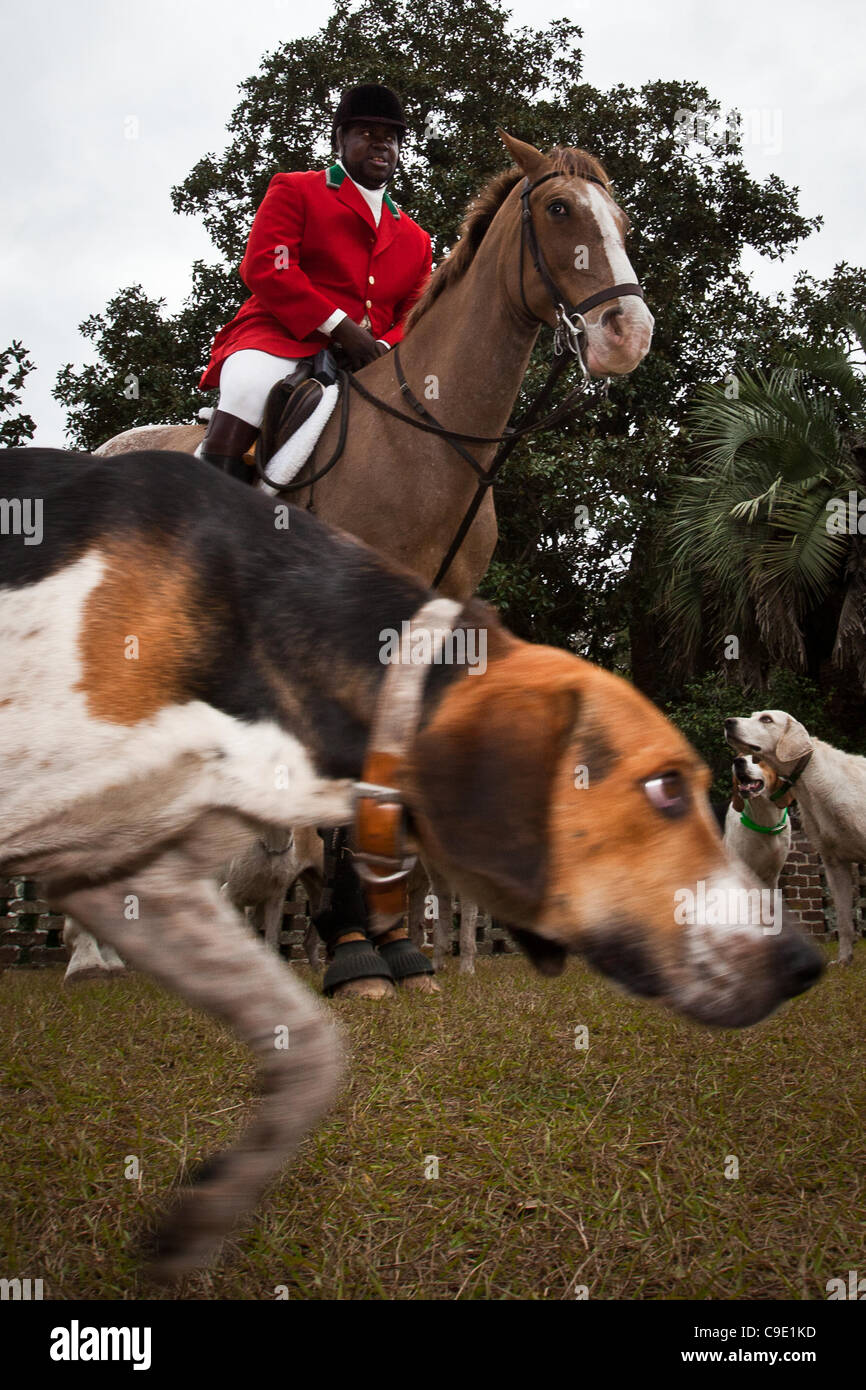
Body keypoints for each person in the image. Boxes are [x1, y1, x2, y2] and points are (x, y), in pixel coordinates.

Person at [197, 82, 433, 482]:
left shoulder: (416, 238)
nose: (380, 146)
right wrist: (340, 327)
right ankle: (204, 516)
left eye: (390, 139)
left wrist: (381, 344)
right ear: (341, 139)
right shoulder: (297, 189)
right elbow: (267, 267)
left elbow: (415, 312)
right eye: (367, 134)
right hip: (280, 338)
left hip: (368, 362)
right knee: (250, 389)